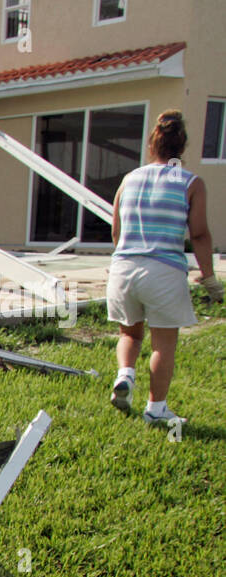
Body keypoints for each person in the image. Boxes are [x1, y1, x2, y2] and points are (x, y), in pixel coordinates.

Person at [107, 109, 222, 424]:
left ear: (151, 145)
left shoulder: (129, 179)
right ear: (182, 146)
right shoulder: (191, 183)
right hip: (164, 271)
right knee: (164, 344)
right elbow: (198, 234)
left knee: (129, 334)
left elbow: (116, 232)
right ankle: (156, 410)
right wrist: (210, 279)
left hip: (123, 268)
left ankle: (126, 375)